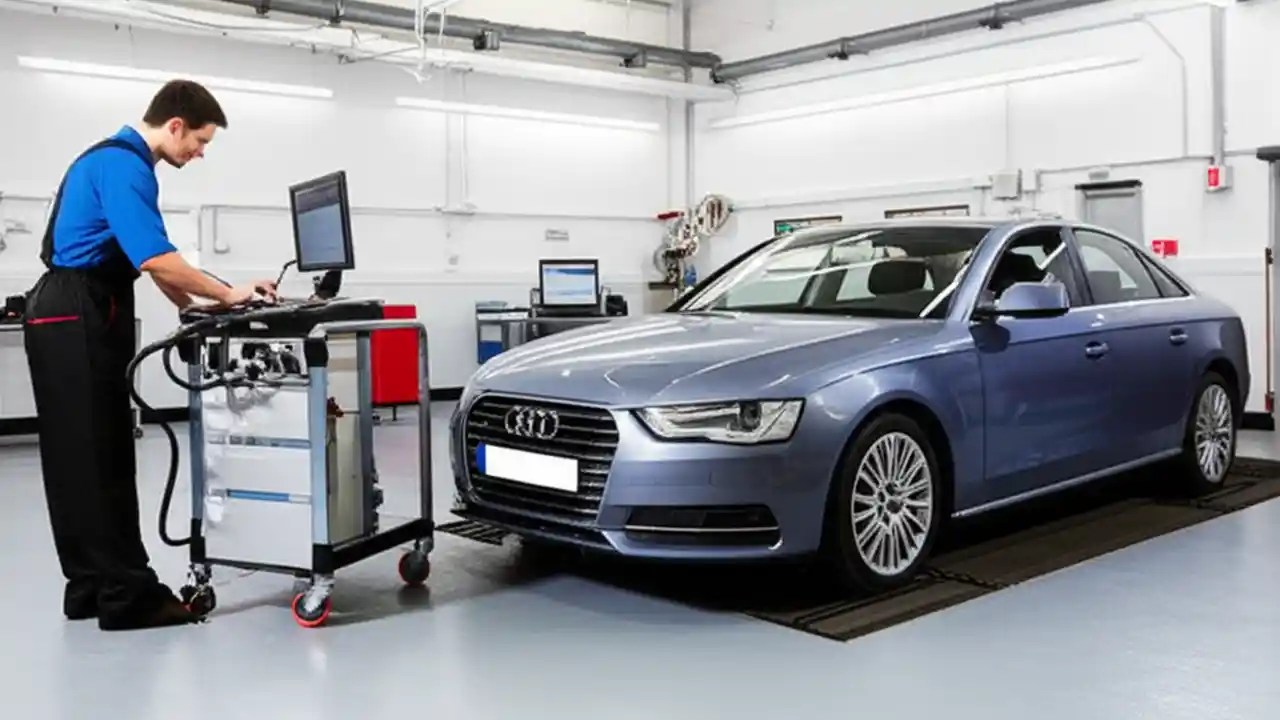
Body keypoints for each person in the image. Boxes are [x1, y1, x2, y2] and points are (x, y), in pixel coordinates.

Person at [23, 79, 278, 631]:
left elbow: (153, 263)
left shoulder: (108, 160)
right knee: (104, 453)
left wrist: (195, 306)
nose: (201, 153)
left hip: (61, 309)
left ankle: (89, 587)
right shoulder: (125, 166)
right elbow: (156, 258)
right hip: (80, 308)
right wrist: (229, 294)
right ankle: (127, 596)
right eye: (201, 141)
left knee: (73, 457)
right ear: (176, 125)